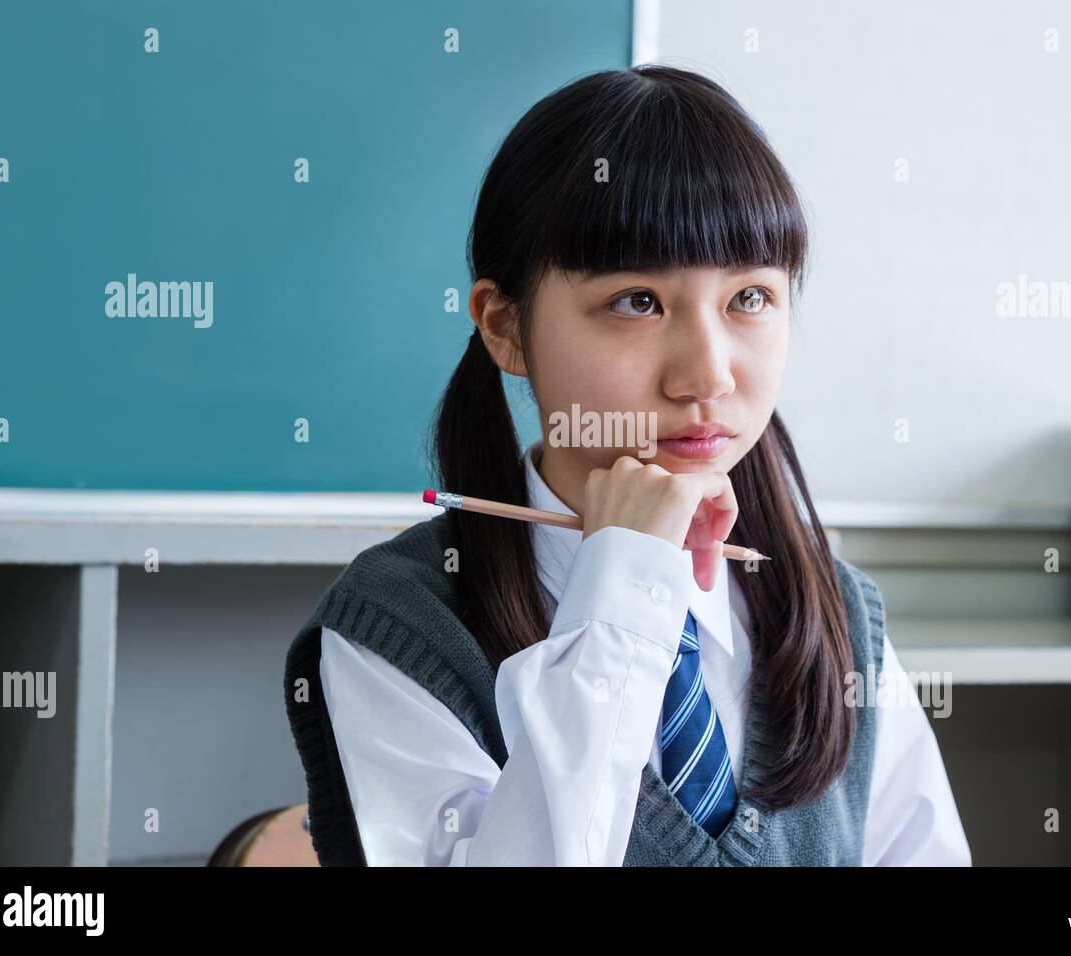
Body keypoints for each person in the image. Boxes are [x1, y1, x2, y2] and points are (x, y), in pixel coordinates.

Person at [284, 64, 971, 867]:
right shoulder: (400, 626)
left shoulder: (837, 615)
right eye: (637, 301)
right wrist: (622, 593)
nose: (708, 374)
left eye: (749, 298)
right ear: (505, 326)